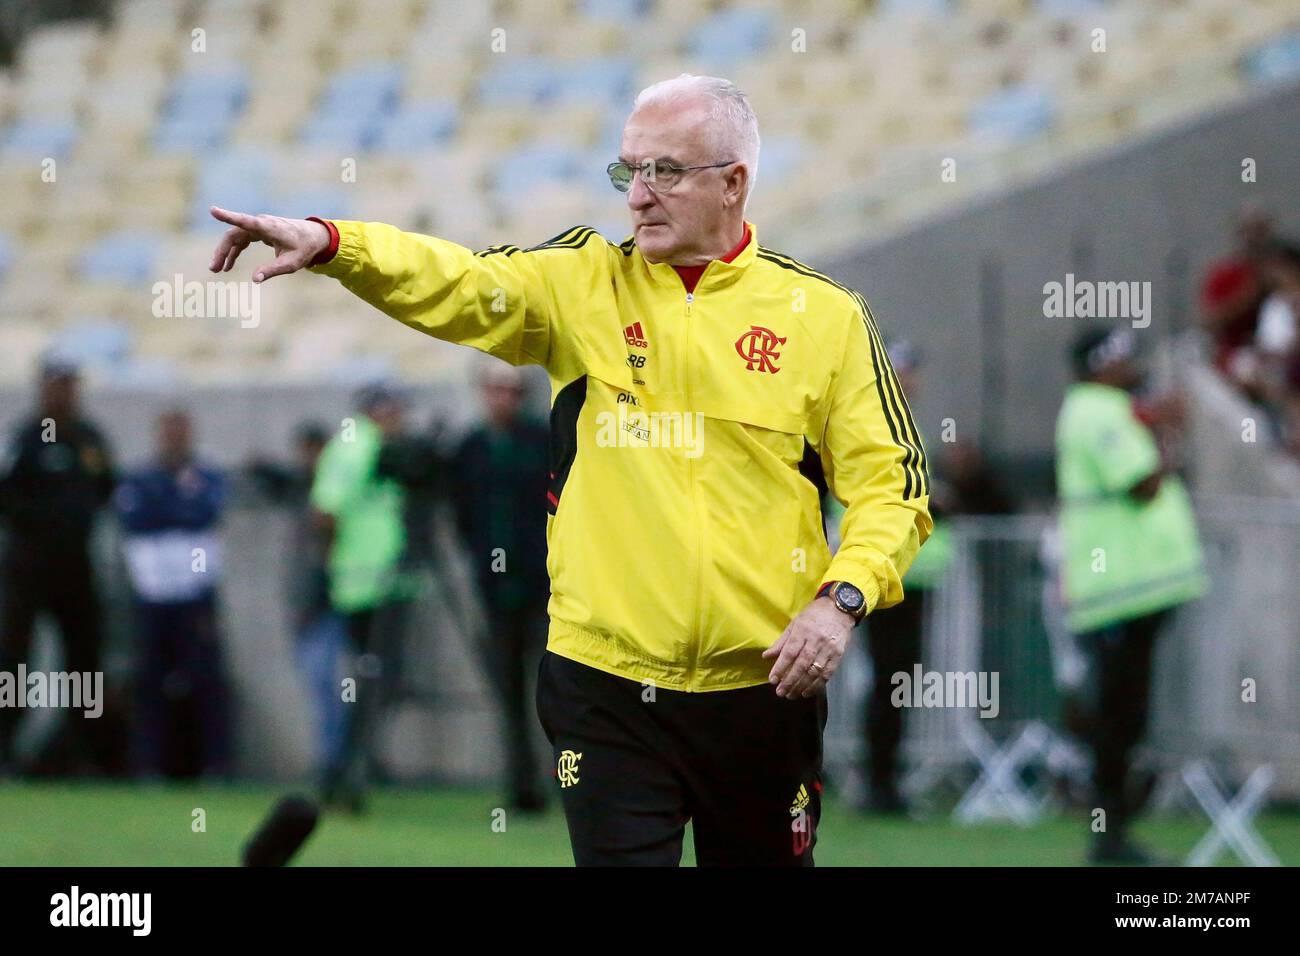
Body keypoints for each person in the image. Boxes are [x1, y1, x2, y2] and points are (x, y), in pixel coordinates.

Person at [205, 73, 932, 866]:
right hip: (606, 686)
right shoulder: (583, 283)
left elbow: (891, 489)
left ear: (734, 184)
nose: (639, 196)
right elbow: (460, 283)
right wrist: (339, 246)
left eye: (665, 171)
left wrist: (840, 601)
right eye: (629, 171)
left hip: (762, 691)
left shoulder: (823, 318)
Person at [1055, 326, 1208, 864]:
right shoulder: (1097, 410)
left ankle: (1114, 834)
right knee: (1117, 719)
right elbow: (1141, 484)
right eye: (1120, 359)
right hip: (1118, 590)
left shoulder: (1105, 407)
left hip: (1130, 590)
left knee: (1124, 717)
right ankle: (1109, 838)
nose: (1131, 366)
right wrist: (1165, 432)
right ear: (1099, 365)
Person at [0, 356, 117, 776]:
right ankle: (6, 748)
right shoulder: (27, 438)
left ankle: (83, 752)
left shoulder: (88, 439)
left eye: (70, 386)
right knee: (15, 660)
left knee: (83, 661)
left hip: (75, 567)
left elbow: (105, 487)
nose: (65, 394)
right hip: (28, 569)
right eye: (58, 385)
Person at [450, 363, 551, 813]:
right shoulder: (470, 448)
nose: (502, 400)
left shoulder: (545, 440)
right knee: (508, 691)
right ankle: (520, 785)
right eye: (495, 390)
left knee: (558, 690)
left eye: (511, 391)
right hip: (495, 589)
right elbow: (462, 515)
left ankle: (571, 782)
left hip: (546, 585)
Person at [309, 383, 413, 813]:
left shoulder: (367, 447)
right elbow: (325, 511)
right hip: (365, 584)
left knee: (371, 682)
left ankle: (352, 766)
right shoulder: (356, 448)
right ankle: (344, 771)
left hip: (379, 582)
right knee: (365, 682)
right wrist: (334, 562)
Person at [115, 409, 231, 778]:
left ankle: (213, 763)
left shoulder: (206, 474)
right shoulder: (141, 476)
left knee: (206, 679)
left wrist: (169, 509)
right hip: (152, 593)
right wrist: (178, 508)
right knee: (150, 681)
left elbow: (205, 513)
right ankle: (149, 763)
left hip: (195, 593)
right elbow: (135, 518)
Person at [248, 423, 349, 786]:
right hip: (311, 606)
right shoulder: (302, 489)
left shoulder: (337, 491)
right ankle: (332, 760)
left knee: (334, 685)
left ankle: (336, 761)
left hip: (335, 603)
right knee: (322, 686)